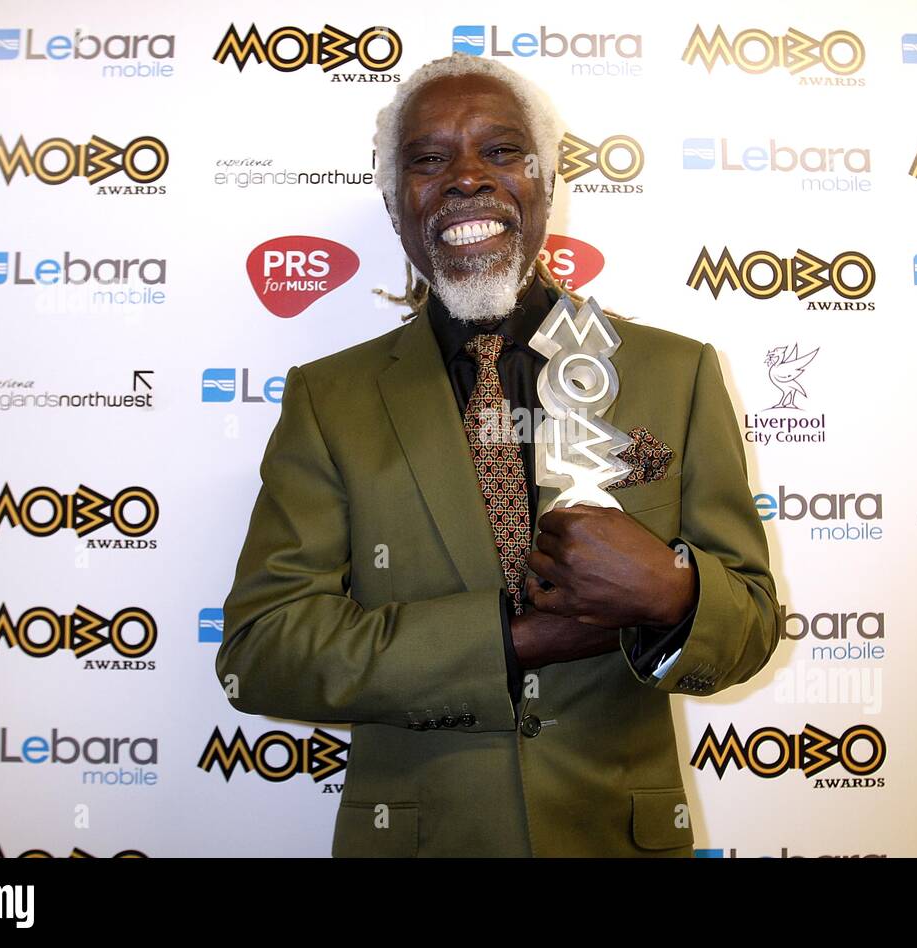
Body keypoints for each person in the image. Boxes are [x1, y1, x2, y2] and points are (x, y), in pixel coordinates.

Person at [216, 53, 781, 857]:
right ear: (395, 204)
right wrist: (508, 642)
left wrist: (675, 591)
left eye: (503, 150)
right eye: (429, 158)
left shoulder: (675, 371)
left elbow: (752, 625)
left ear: (549, 183)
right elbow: (263, 652)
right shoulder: (329, 399)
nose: (467, 178)